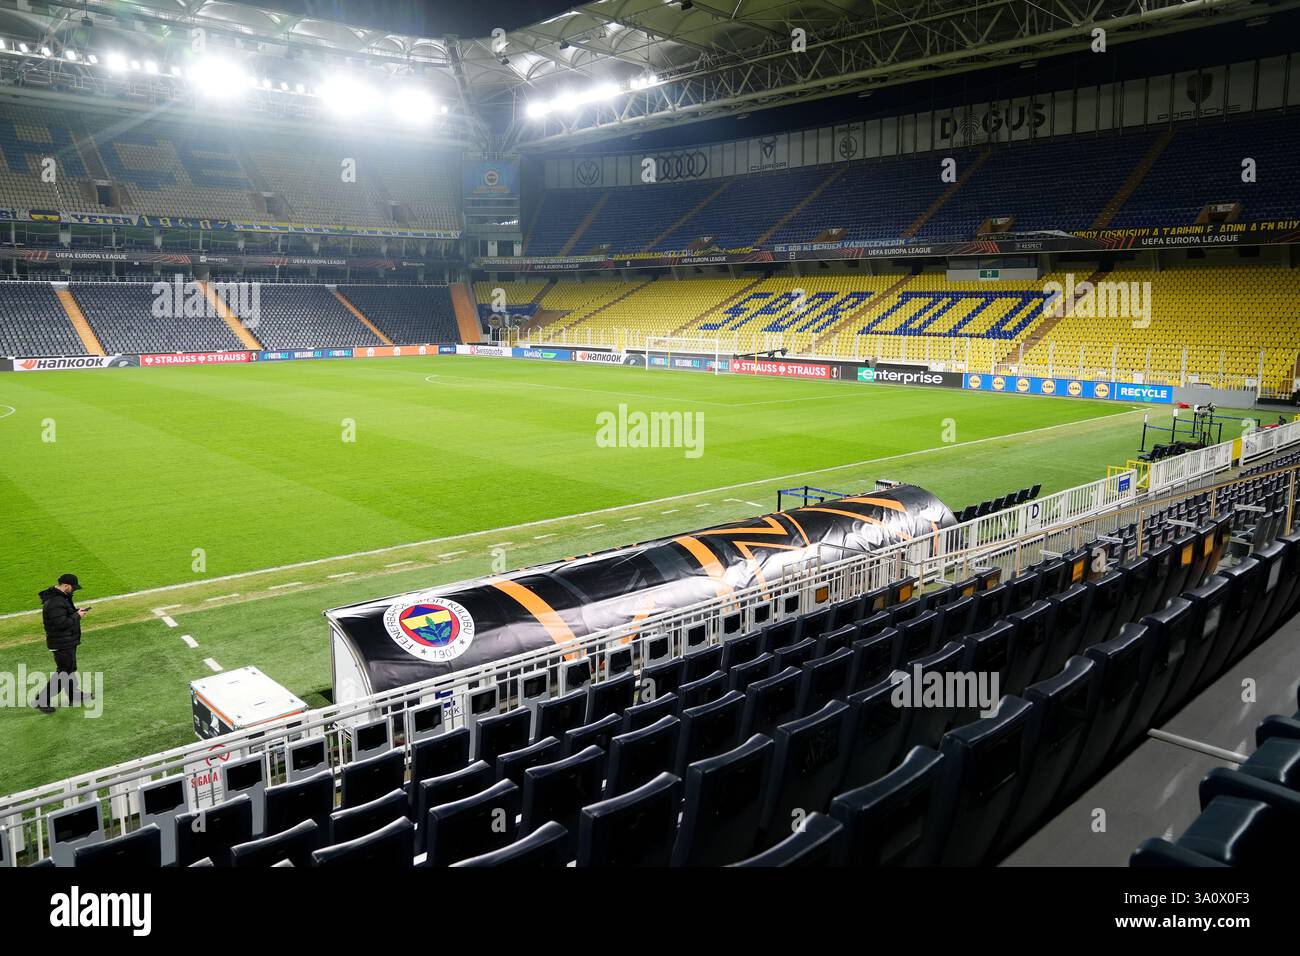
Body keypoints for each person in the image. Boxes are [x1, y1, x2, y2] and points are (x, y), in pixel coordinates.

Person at [33, 574, 92, 713]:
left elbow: (64, 616)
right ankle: (41, 699)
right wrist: (78, 616)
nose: (74, 591)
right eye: (73, 588)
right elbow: (62, 624)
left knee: (69, 669)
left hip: (65, 640)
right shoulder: (55, 602)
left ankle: (74, 695)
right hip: (61, 642)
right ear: (66, 586)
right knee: (64, 673)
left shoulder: (60, 598)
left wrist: (75, 612)